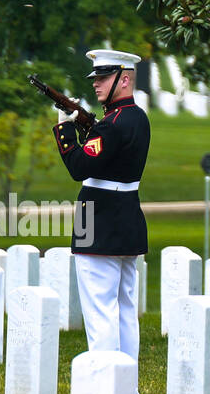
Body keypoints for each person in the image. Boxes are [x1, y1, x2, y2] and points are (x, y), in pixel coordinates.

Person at [53, 49, 150, 365]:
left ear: (124, 79)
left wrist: (65, 130)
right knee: (124, 309)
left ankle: (108, 380)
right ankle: (127, 383)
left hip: (96, 218)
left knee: (99, 309)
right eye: (95, 77)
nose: (96, 84)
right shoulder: (138, 118)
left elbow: (79, 168)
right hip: (127, 216)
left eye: (103, 77)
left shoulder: (111, 125)